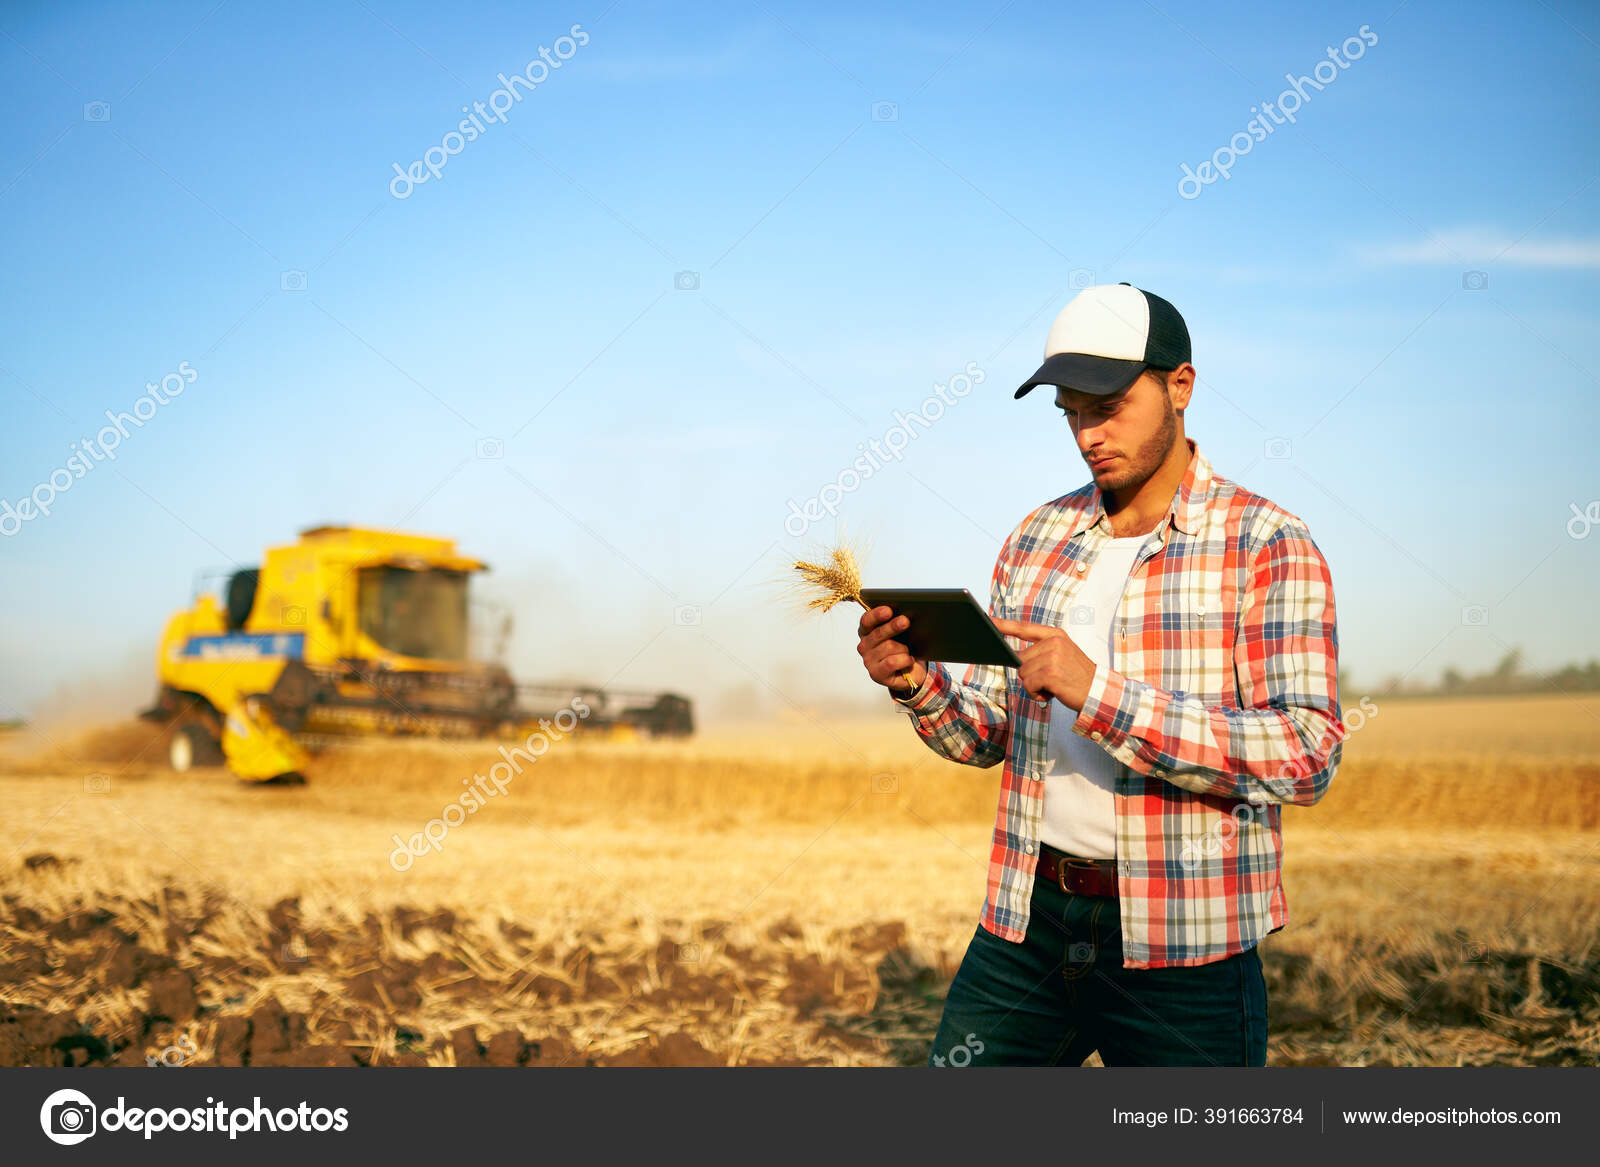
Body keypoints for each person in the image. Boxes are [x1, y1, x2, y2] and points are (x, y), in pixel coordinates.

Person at [856, 283, 1343, 1066]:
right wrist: (916, 683)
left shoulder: (1266, 543)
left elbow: (1306, 754)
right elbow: (990, 736)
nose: (1088, 433)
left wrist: (1099, 692)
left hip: (1189, 943)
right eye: (1071, 412)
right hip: (1028, 923)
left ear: (1180, 386)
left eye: (1107, 405)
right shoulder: (1035, 538)